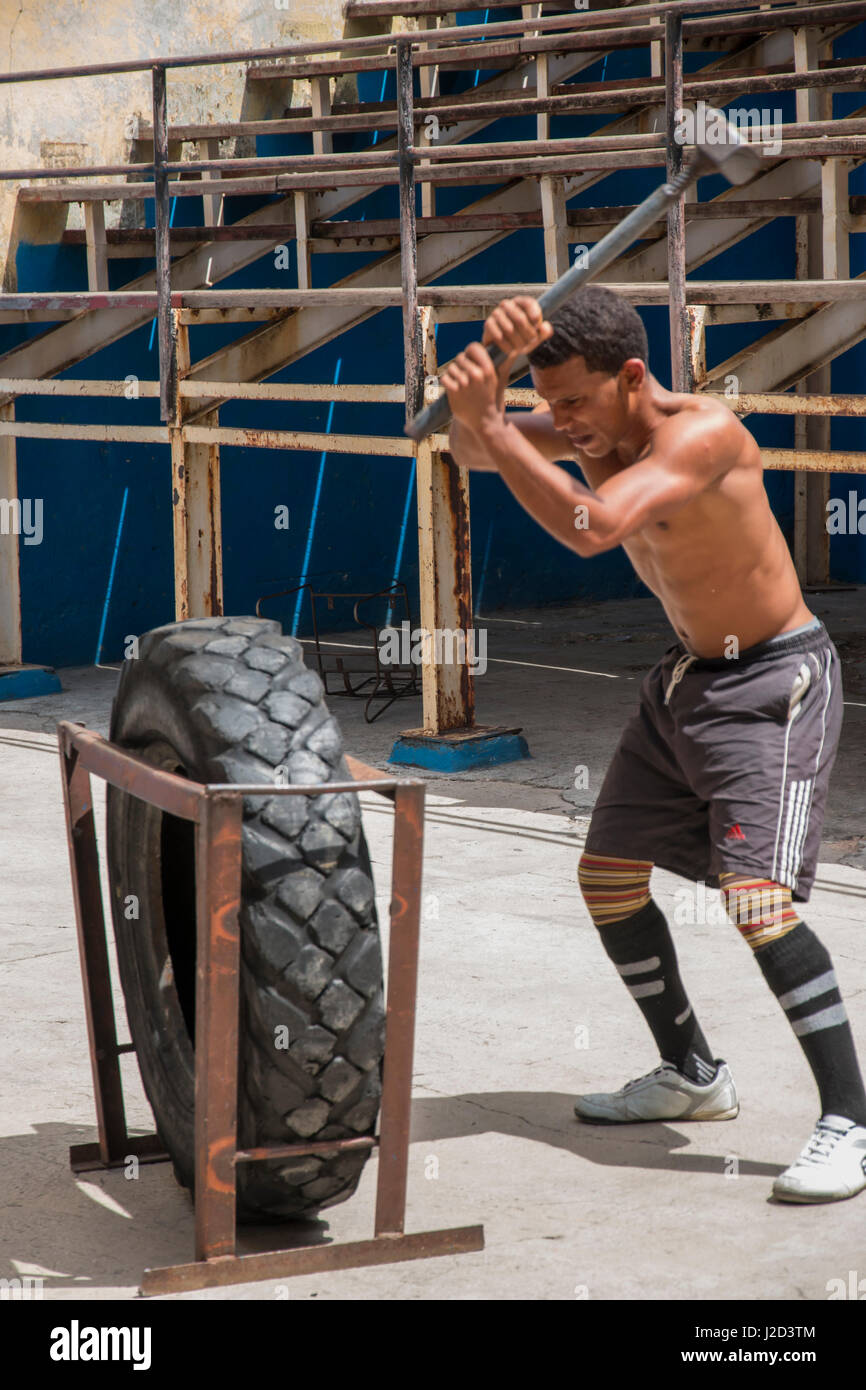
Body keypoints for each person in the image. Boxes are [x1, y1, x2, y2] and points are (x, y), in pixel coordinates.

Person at [443, 285, 866, 1203]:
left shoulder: (700, 436)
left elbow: (591, 528)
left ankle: (851, 1121)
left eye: (577, 406)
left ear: (633, 376)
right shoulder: (585, 419)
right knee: (606, 877)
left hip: (772, 682)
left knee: (756, 903)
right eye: (552, 407)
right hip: (688, 681)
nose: (564, 425)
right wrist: (492, 387)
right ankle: (695, 1075)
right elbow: (477, 447)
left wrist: (498, 422)